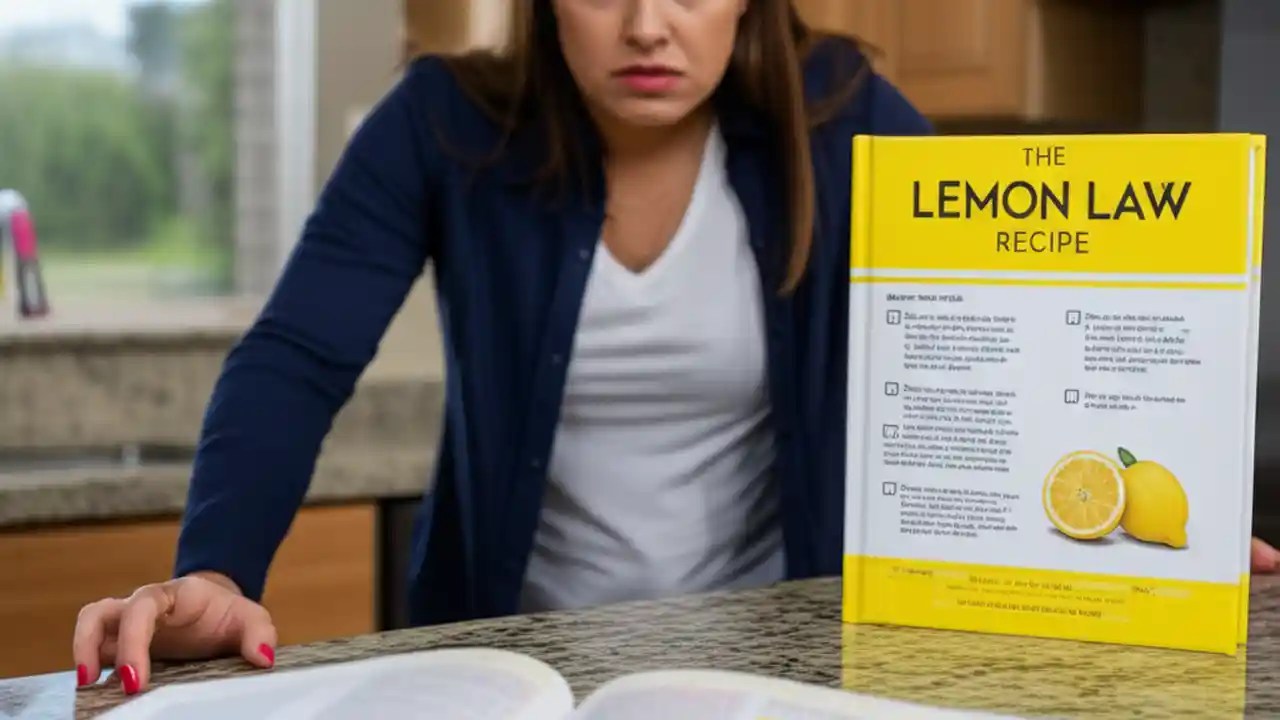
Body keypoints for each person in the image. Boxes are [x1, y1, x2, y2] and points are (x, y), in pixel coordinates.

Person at [71, 0, 1280, 697]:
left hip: (773, 668)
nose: (649, 24)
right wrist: (214, 567)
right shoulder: (441, 122)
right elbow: (296, 354)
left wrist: (1137, 532)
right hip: (517, 664)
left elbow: (998, 332)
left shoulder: (840, 112)